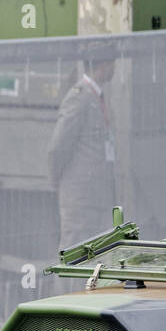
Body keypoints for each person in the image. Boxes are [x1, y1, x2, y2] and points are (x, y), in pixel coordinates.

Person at [49, 58, 118, 246]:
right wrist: (58, 181)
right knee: (74, 250)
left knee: (94, 251)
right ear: (103, 65)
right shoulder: (79, 96)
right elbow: (59, 145)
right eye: (112, 63)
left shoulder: (97, 96)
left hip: (96, 194)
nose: (115, 67)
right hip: (79, 195)